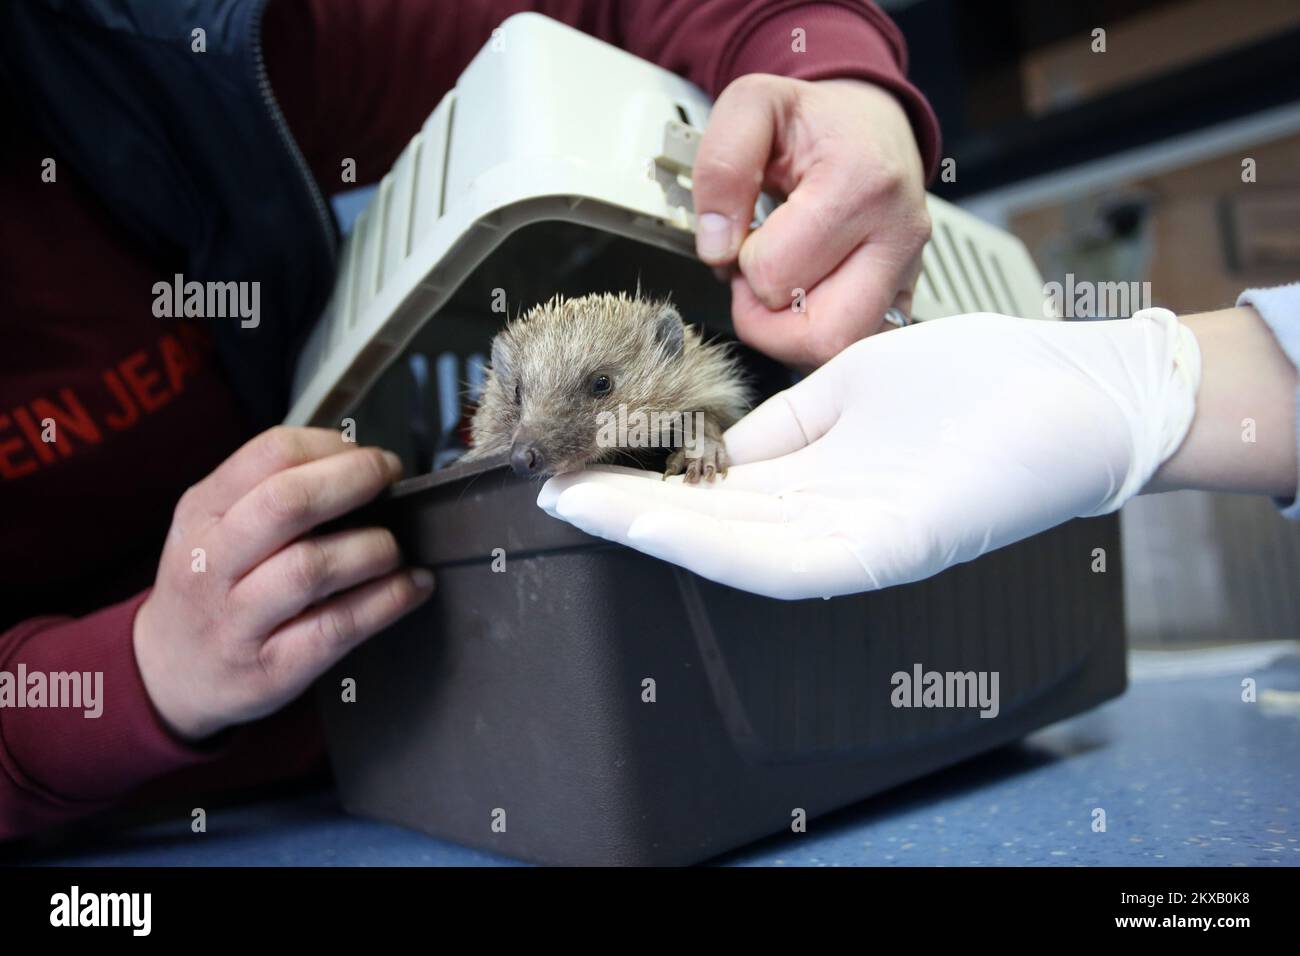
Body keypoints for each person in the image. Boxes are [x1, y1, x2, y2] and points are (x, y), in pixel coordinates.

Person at [0, 1, 937, 838]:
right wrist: (139, 673)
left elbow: (598, 16)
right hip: (304, 791)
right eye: (522, 406)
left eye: (601, 394)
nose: (532, 442)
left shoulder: (154, 42)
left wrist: (836, 82)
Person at [539, 291, 1300, 599]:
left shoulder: (695, 395)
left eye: (600, 389)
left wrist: (1146, 384)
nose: (536, 438)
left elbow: (708, 421)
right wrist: (1153, 385)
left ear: (670, 348)